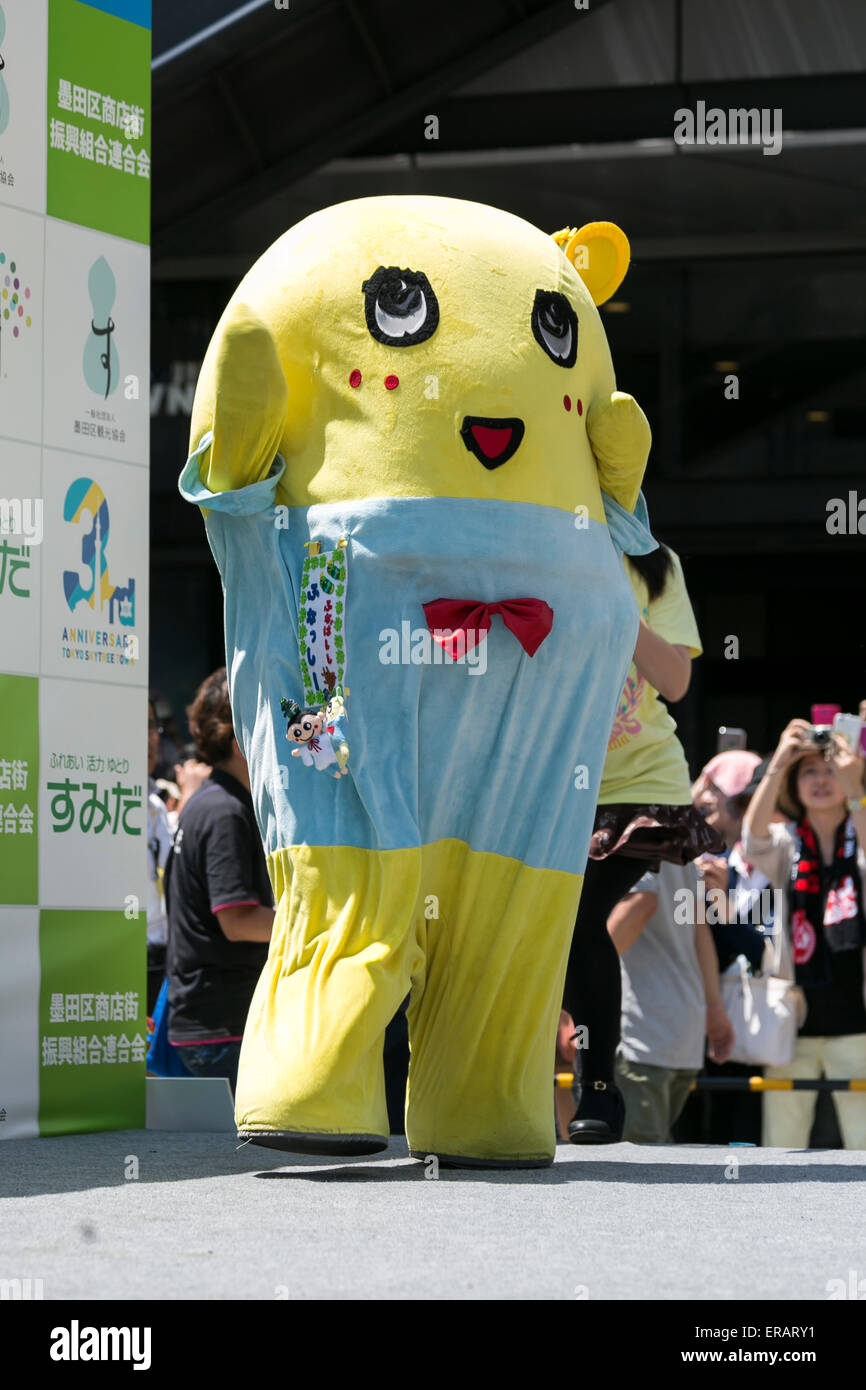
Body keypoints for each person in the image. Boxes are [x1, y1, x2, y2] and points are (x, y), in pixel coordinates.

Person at [563, 498, 723, 1143]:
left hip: (638, 787)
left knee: (580, 916)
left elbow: (678, 680)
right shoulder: (528, 547)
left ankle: (598, 1089)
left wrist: (615, 609)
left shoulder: (654, 566)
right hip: (545, 782)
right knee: (542, 925)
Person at [742, 718, 866, 1149]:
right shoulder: (786, 841)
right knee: (782, 1148)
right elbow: (751, 837)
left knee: (863, 1146)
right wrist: (779, 760)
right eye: (809, 771)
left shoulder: (860, 828)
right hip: (793, 1021)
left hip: (858, 1023)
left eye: (830, 768)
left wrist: (856, 791)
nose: (820, 779)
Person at [165, 669, 274, 1093]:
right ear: (240, 740)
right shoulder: (225, 810)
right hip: (223, 1026)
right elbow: (238, 920)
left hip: (218, 1022)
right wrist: (320, 924)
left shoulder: (216, 801)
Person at [601, 858, 735, 1143]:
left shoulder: (636, 823)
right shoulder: (678, 830)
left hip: (641, 1035)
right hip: (677, 1033)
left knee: (639, 1170)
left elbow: (641, 904)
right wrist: (713, 1008)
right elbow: (699, 930)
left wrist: (579, 990)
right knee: (653, 1163)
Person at [146, 701, 174, 1015]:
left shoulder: (157, 803)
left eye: (151, 726)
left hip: (162, 952)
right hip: (125, 950)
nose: (148, 737)